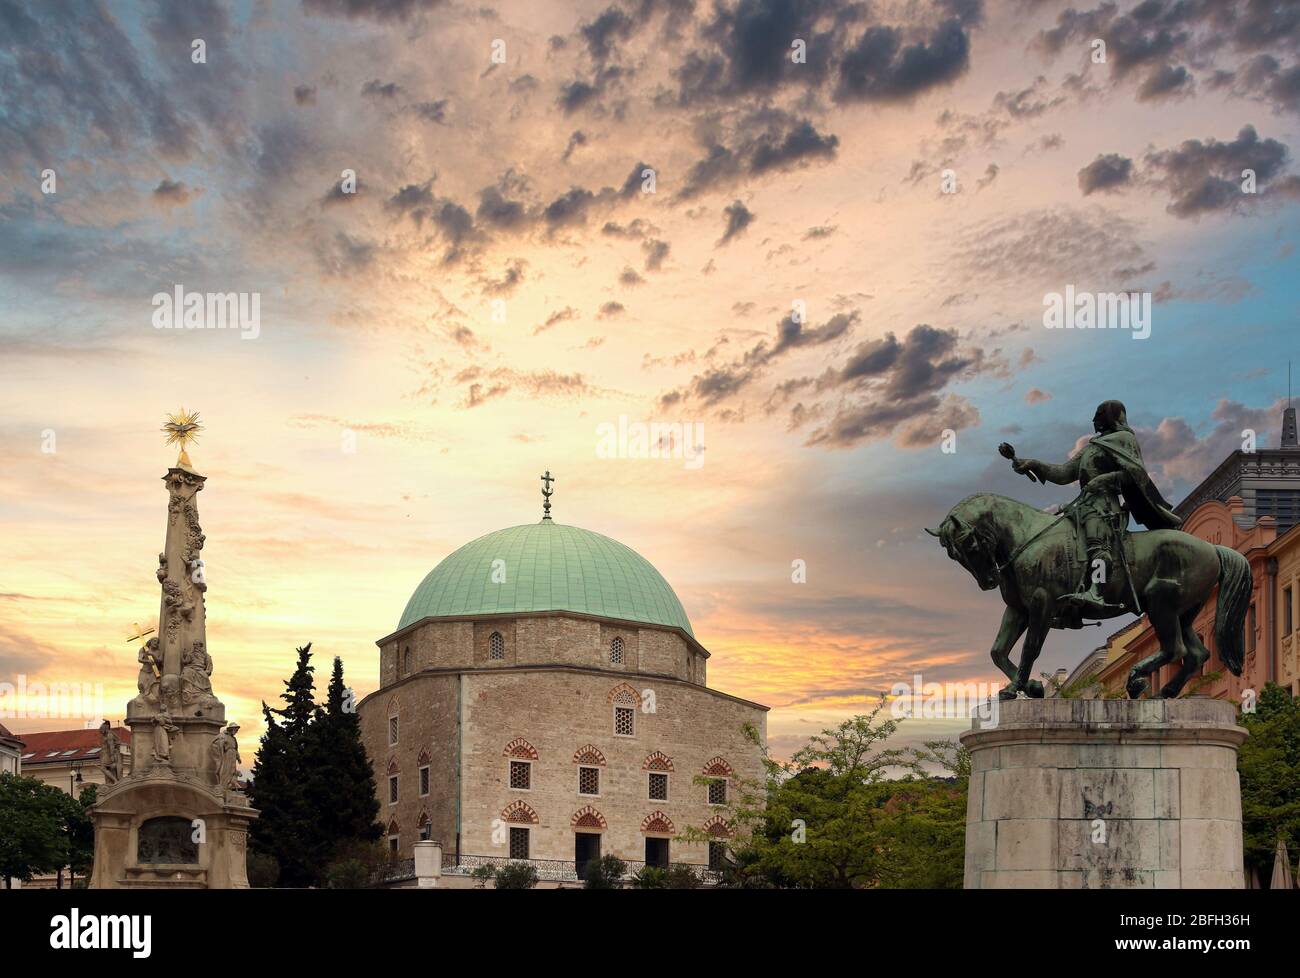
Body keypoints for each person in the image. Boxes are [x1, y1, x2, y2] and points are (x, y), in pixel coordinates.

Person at [1011, 400, 1180, 615]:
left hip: (1105, 507)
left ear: (1113, 416)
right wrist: (1033, 464)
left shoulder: (1125, 439)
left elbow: (1135, 474)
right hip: (1082, 505)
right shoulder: (1092, 447)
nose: (1094, 420)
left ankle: (1095, 591)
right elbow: (1064, 473)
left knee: (1097, 546)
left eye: (1100, 414)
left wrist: (1104, 480)